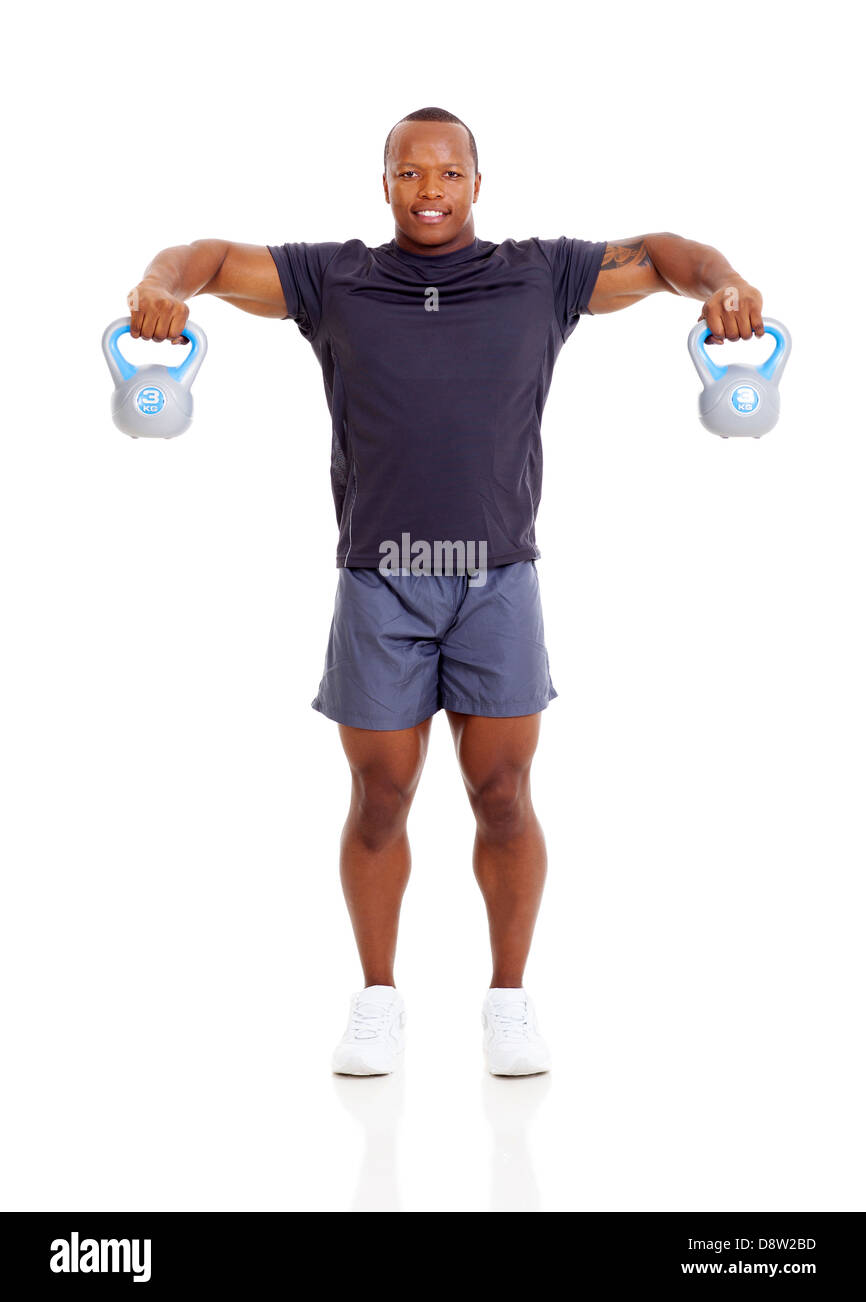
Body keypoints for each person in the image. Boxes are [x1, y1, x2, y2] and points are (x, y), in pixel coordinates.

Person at [125, 106, 765, 1077]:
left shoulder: (538, 274)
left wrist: (722, 283)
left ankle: (507, 1000)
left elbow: (664, 251)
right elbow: (209, 255)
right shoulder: (332, 278)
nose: (429, 190)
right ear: (382, 184)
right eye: (409, 173)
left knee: (501, 792)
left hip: (496, 579)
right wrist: (158, 285)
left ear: (477, 182)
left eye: (449, 173)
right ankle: (377, 997)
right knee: (379, 796)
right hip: (380, 581)